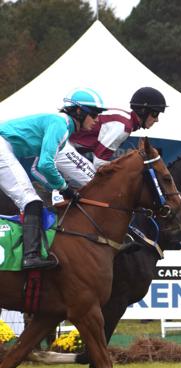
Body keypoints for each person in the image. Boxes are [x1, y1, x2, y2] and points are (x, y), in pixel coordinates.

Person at [0, 87, 105, 269]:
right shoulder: (60, 124)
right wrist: (64, 188)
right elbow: (45, 165)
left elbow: (36, 168)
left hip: (5, 147)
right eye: (94, 114)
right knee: (31, 201)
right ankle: (31, 256)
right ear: (78, 111)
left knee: (33, 201)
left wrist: (59, 188)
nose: (97, 119)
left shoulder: (62, 129)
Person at [58, 87, 167, 188]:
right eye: (155, 113)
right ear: (143, 111)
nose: (157, 120)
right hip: (61, 145)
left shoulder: (125, 119)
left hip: (63, 144)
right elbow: (99, 163)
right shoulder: (124, 126)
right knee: (101, 186)